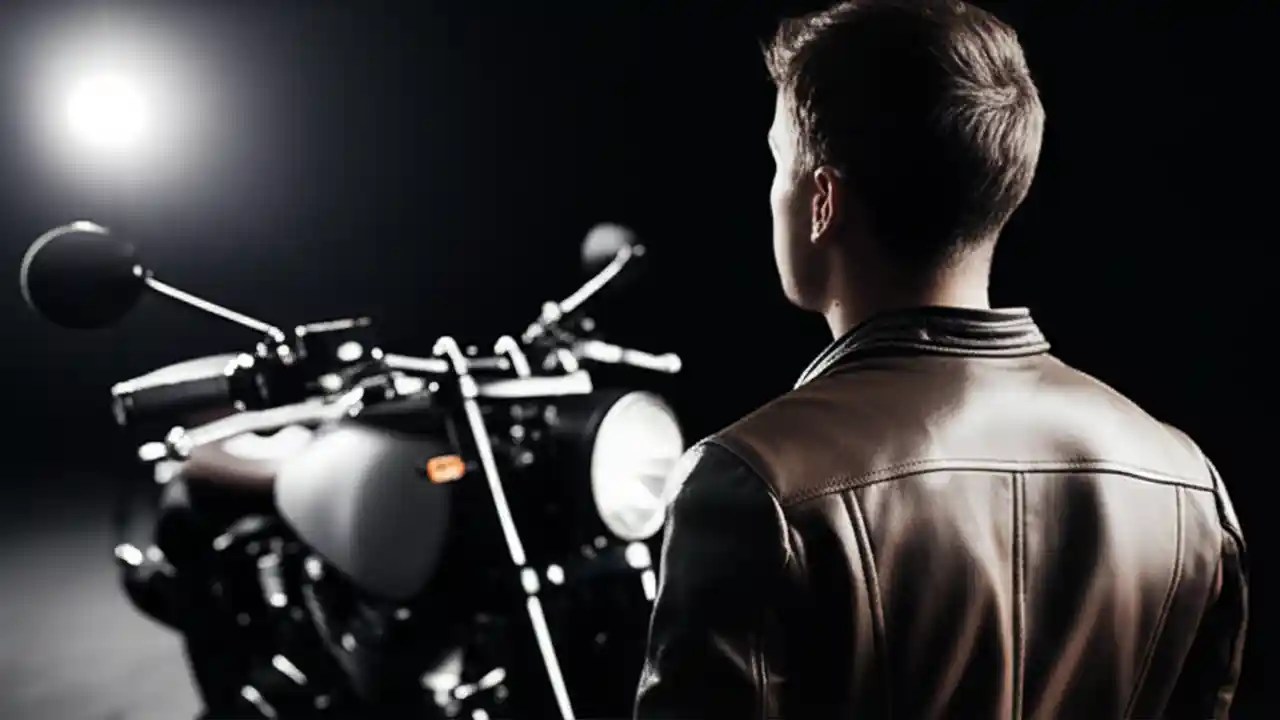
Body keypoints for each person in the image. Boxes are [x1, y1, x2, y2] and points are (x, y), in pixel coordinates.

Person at [632, 1, 1248, 718]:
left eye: (777, 164)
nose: (774, 193)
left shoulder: (750, 486)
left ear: (822, 200)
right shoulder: (1184, 483)